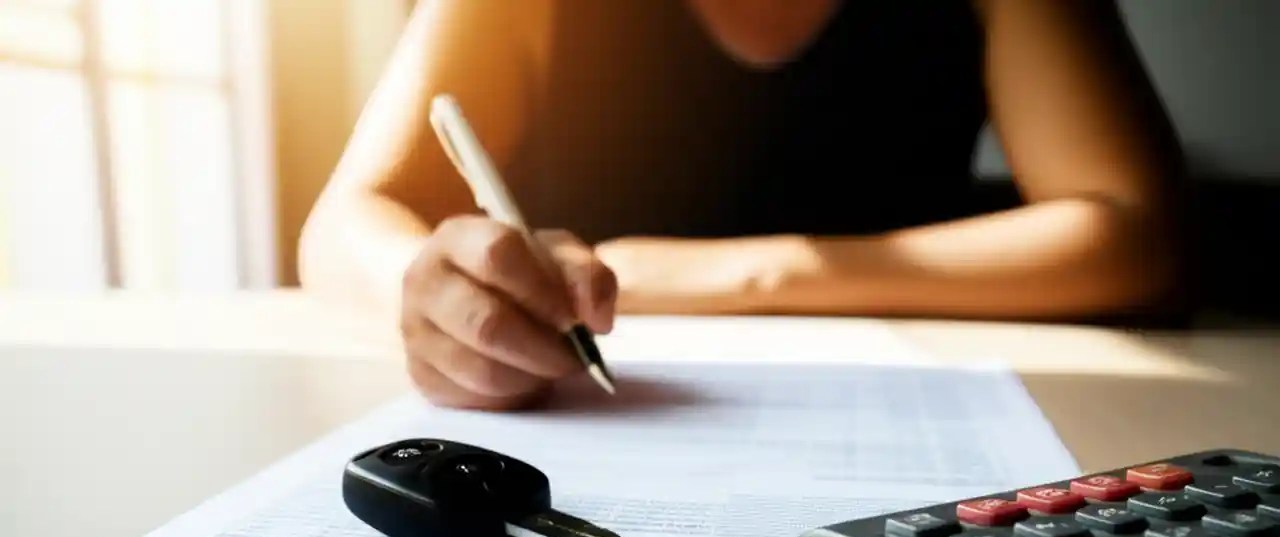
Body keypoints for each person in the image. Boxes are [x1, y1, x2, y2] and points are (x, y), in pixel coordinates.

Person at [298, 0, 1186, 411]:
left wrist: (756, 270)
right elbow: (345, 224)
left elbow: (1137, 230)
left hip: (911, 426)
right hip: (581, 428)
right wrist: (431, 295)